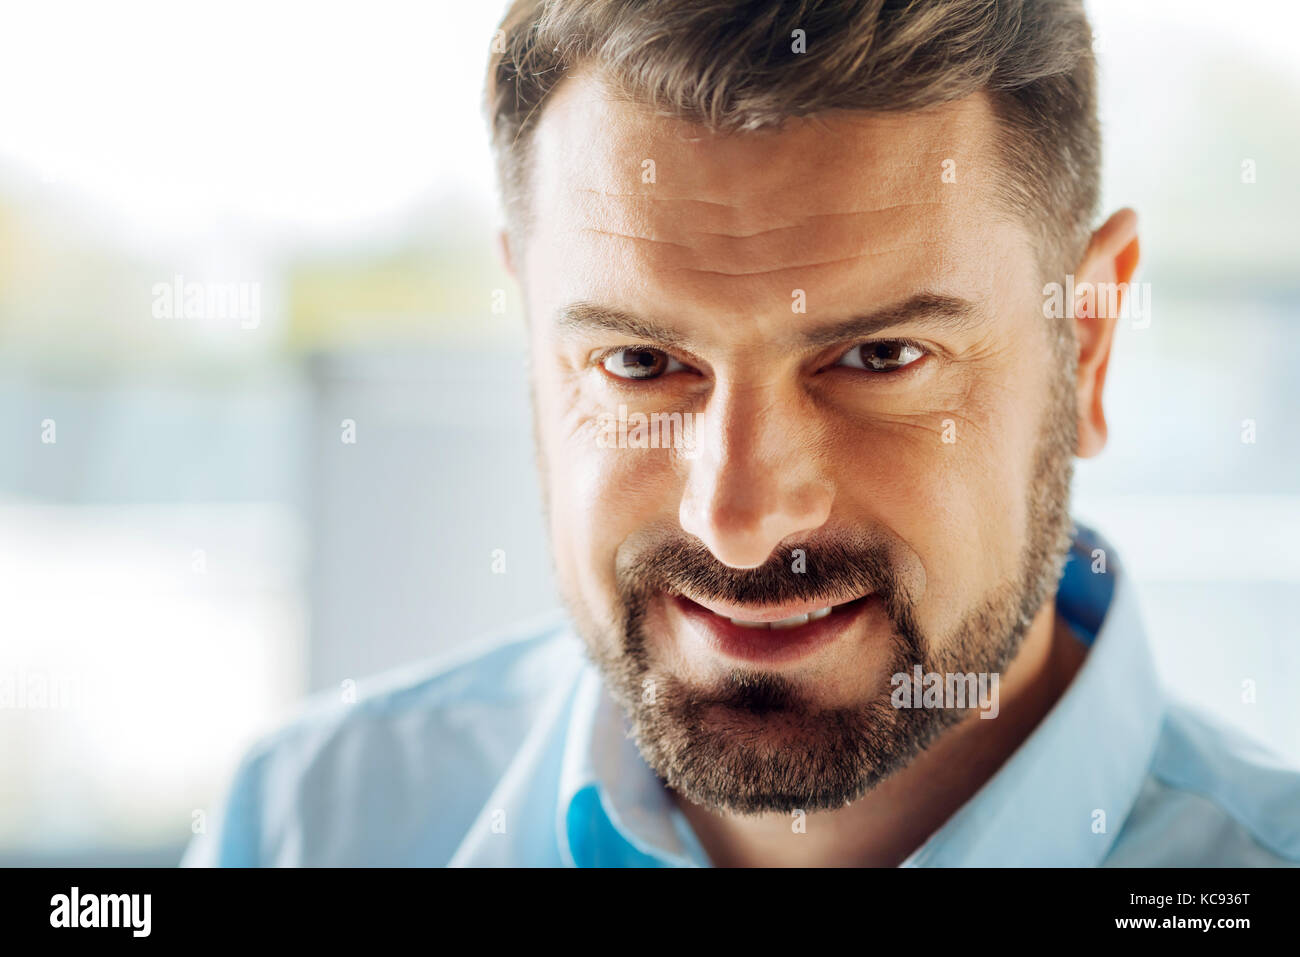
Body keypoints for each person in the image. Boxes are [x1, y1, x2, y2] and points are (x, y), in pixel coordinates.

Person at [183, 0, 1300, 867]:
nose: (740, 518)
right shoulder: (303, 829)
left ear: (1086, 343)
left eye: (879, 357)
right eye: (639, 362)